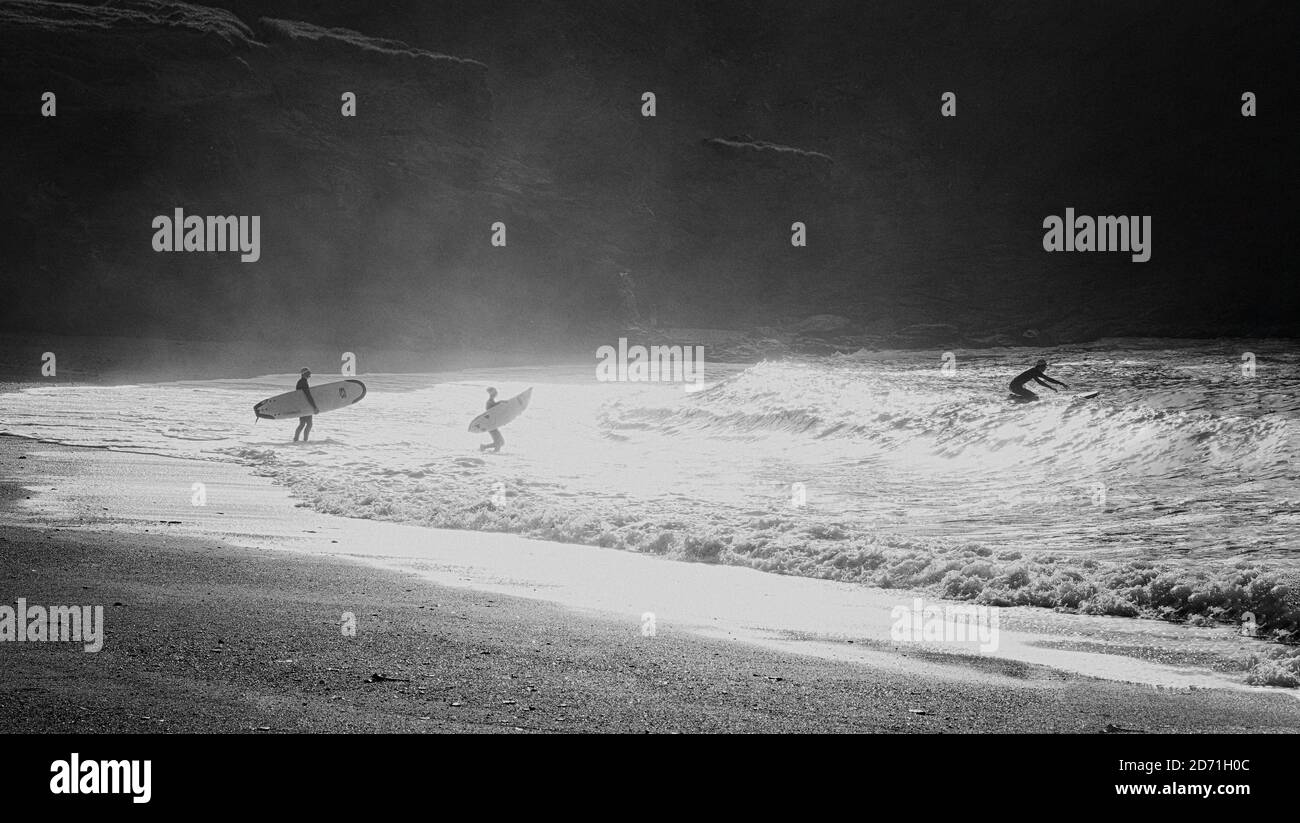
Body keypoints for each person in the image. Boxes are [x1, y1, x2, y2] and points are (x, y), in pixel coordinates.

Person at [294, 367, 319, 442]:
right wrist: (314, 407)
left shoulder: (300, 382)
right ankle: (304, 440)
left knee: (303, 424)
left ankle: (296, 439)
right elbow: (308, 395)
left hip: (302, 405)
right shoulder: (303, 382)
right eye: (308, 374)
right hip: (306, 406)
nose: (309, 375)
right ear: (305, 374)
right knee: (308, 424)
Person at [479, 387, 505, 452]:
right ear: (491, 393)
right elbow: (491, 411)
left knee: (501, 442)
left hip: (492, 424)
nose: (496, 393)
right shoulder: (489, 402)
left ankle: (486, 448)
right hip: (490, 425)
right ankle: (485, 447)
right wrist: (500, 402)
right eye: (495, 392)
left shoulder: (492, 402)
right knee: (499, 442)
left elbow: (495, 410)